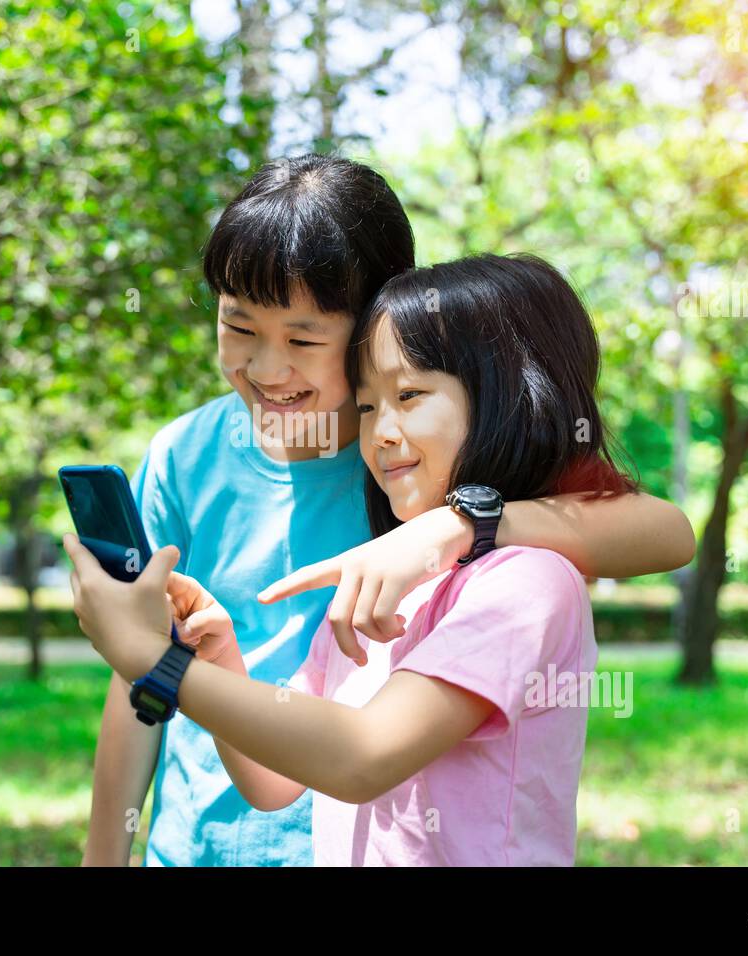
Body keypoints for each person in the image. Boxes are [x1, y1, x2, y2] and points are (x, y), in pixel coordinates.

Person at [83, 156, 695, 867]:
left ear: (377, 316)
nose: (266, 369)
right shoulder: (189, 455)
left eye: (305, 340)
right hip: (202, 839)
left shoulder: (434, 484)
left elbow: (664, 531)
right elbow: (151, 687)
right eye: (237, 326)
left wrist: (456, 524)